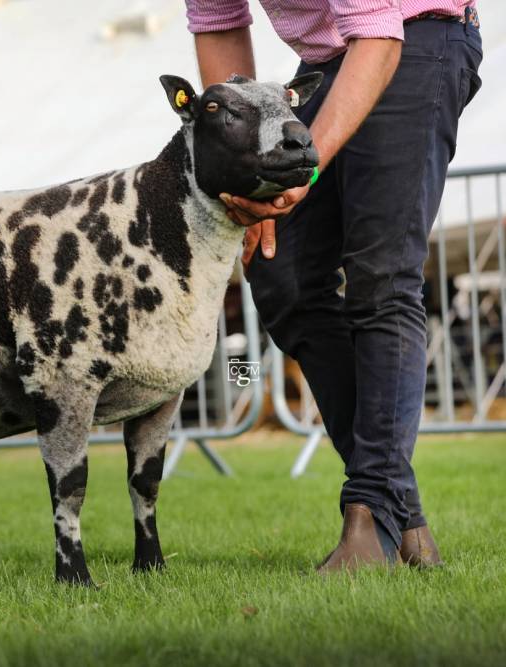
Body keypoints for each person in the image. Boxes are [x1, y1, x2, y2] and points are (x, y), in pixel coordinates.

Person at [184, 0, 482, 571]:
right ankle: (402, 515)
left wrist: (305, 169)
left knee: (381, 277)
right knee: (282, 274)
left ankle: (369, 518)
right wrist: (250, 169)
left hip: (415, 37)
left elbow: (377, 33)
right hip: (328, 58)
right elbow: (218, 24)